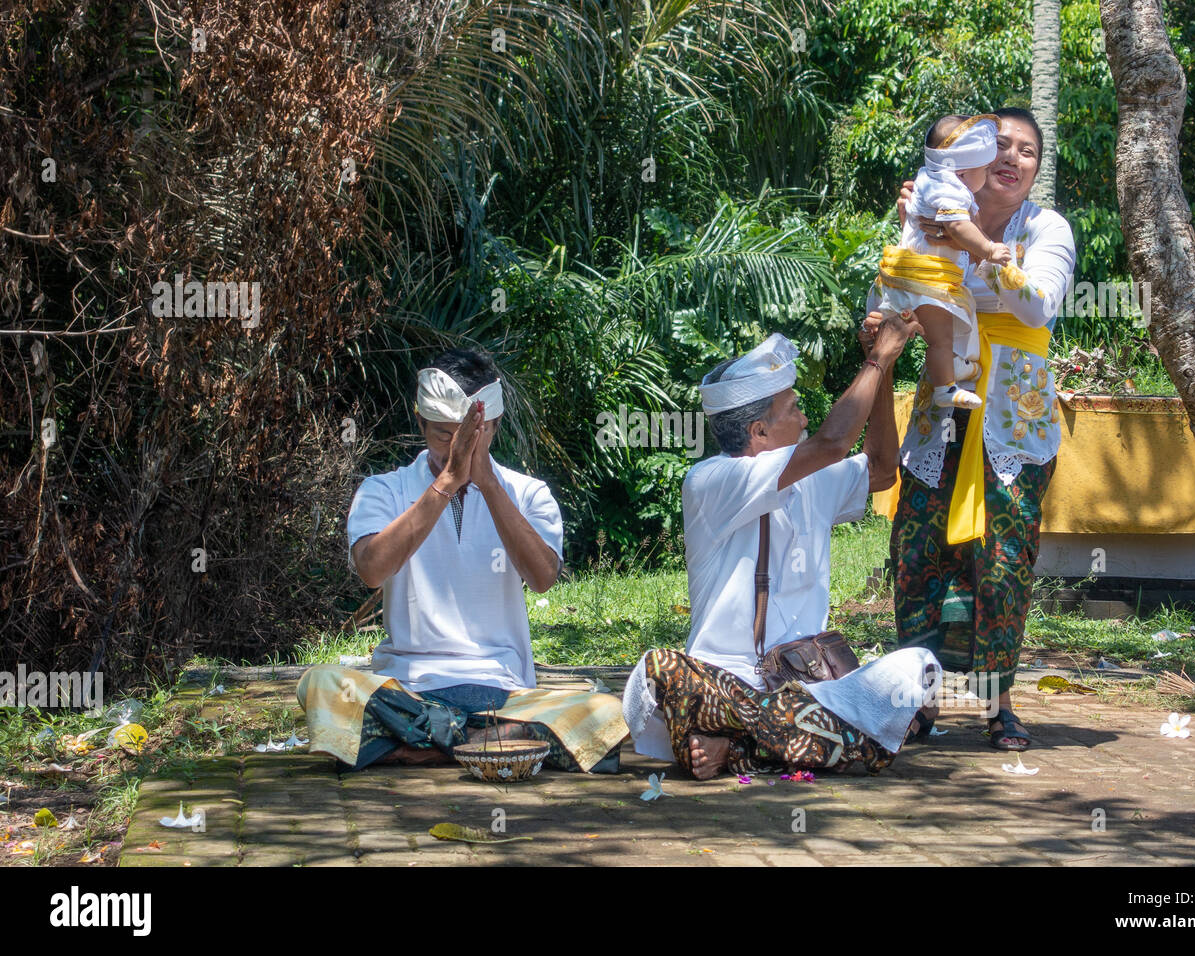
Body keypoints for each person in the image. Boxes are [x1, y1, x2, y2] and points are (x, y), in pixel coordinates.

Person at [622, 313, 941, 780]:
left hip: (806, 690)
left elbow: (880, 469)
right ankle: (806, 743)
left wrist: (886, 369)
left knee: (919, 672)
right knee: (658, 669)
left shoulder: (814, 477)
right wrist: (876, 358)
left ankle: (736, 750)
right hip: (719, 687)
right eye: (793, 409)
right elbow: (833, 441)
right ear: (759, 432)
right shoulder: (711, 480)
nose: (805, 417)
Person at [297, 349, 625, 772]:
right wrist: (447, 482)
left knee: (605, 710)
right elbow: (372, 570)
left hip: (504, 691)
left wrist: (486, 482)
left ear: (495, 427)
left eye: (472, 435)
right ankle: (484, 741)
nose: (458, 447)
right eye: (442, 434)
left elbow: (543, 577)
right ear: (419, 422)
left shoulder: (528, 493)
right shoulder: (384, 490)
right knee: (322, 685)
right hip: (409, 687)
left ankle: (421, 745)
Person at [870, 106, 1077, 752]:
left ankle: (999, 703)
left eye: (1028, 152)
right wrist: (877, 324)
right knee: (918, 552)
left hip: (1014, 415)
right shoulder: (932, 209)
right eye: (1002, 147)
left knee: (1004, 559)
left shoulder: (1048, 228)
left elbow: (1037, 303)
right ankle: (918, 700)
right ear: (976, 158)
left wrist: (971, 248)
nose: (1014, 160)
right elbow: (896, 283)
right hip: (940, 406)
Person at [866, 113, 1012, 411]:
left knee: (952, 319)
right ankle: (945, 386)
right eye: (984, 168)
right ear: (962, 173)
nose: (988, 173)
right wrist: (988, 249)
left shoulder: (929, 178)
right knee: (941, 338)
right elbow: (957, 226)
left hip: (910, 274)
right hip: (927, 280)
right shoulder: (950, 190)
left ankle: (956, 365)